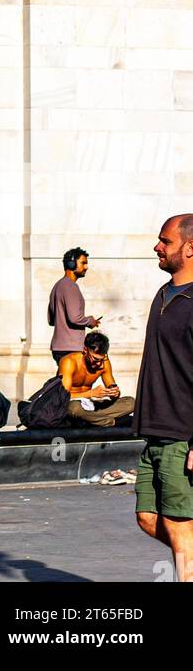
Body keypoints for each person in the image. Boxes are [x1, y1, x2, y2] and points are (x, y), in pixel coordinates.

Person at [134, 214, 193, 582]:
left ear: (190, 248)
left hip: (182, 434)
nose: (157, 247)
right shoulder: (163, 294)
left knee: (180, 528)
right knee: (148, 518)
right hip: (155, 431)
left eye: (165, 241)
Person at [57, 332, 134, 426]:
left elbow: (113, 391)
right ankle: (111, 422)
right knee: (74, 409)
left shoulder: (104, 362)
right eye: (95, 359)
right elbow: (62, 397)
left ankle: (91, 420)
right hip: (72, 404)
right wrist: (91, 393)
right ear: (85, 350)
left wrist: (114, 393)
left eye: (101, 359)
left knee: (130, 402)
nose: (98, 363)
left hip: (89, 405)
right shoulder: (69, 362)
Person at [48, 247, 101, 363]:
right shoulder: (71, 287)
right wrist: (90, 321)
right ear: (71, 264)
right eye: (83, 263)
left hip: (59, 347)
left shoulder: (57, 286)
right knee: (74, 381)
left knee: (63, 380)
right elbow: (75, 318)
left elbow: (51, 320)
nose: (86, 267)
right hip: (71, 348)